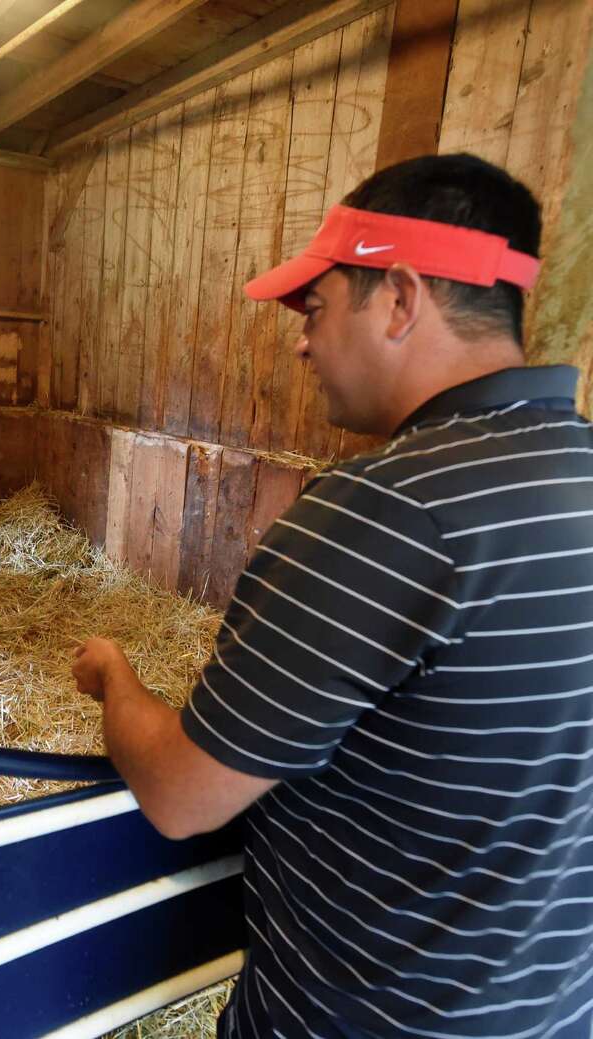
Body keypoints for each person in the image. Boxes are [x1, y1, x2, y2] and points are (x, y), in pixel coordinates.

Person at [72, 153, 593, 1038]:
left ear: (398, 297)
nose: (303, 340)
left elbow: (180, 793)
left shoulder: (388, 508)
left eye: (314, 308)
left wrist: (116, 678)